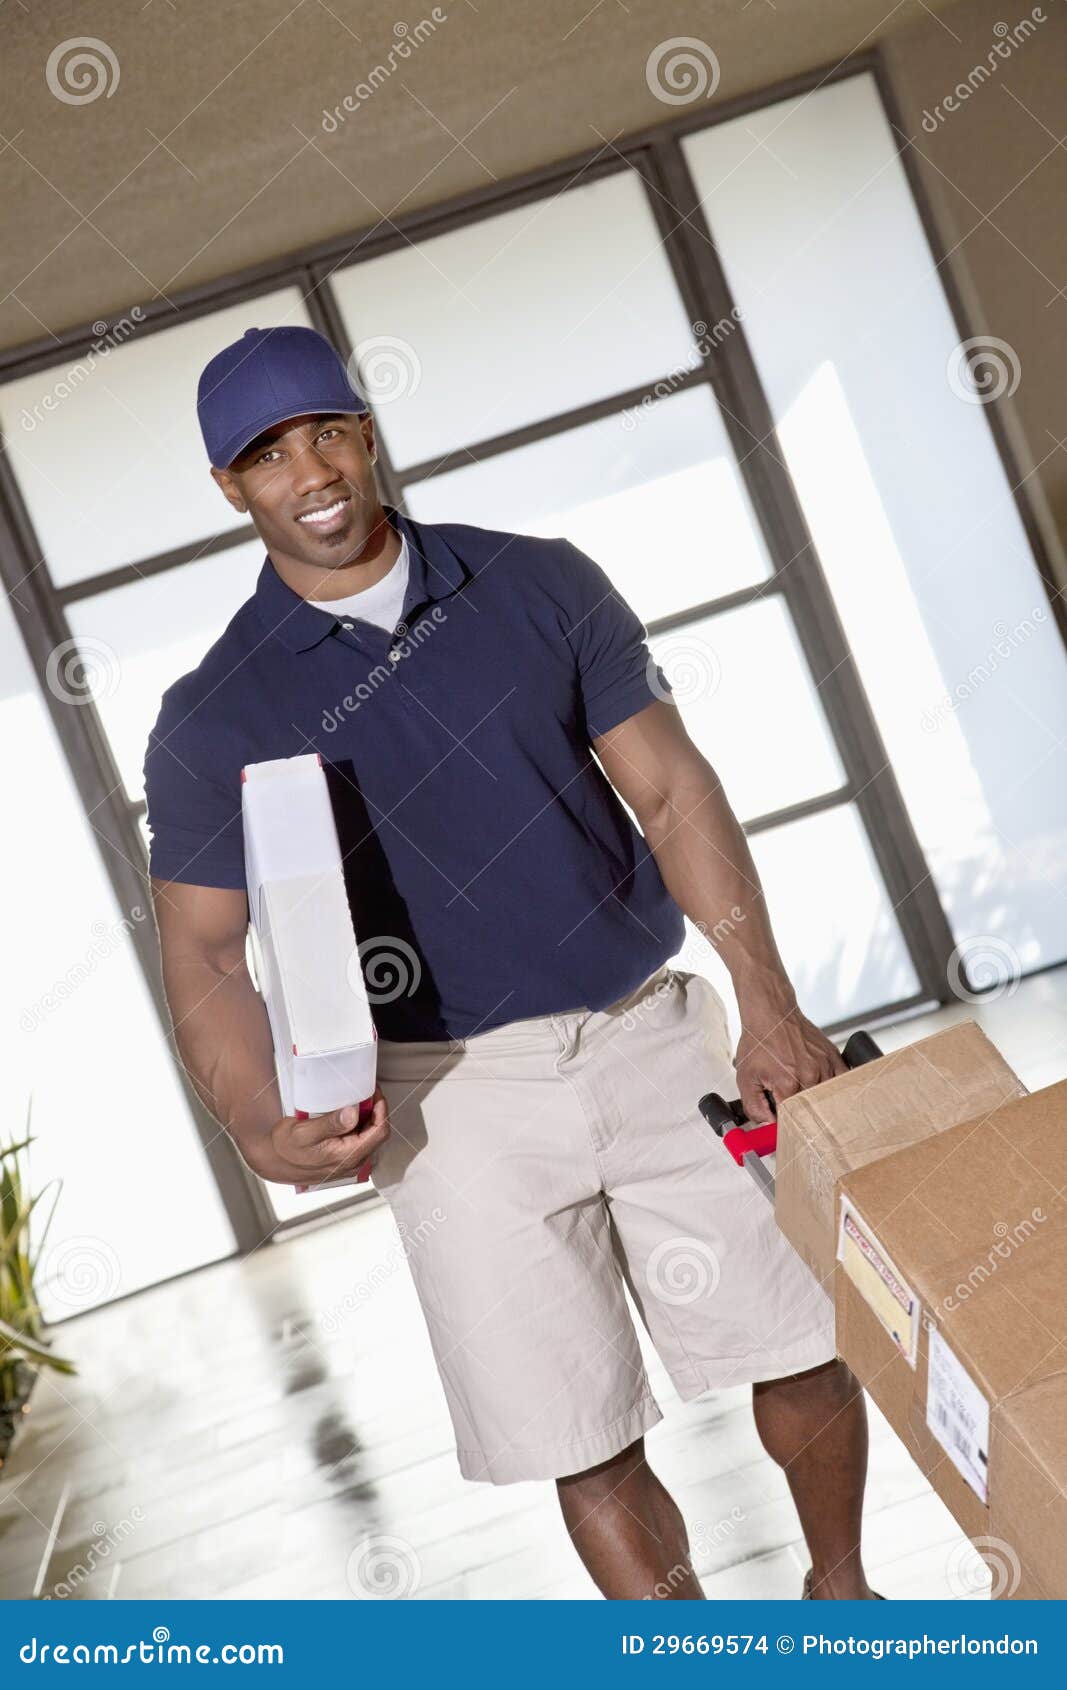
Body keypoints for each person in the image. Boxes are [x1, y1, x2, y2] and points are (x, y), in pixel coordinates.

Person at [145, 324, 880, 1601]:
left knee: (799, 1335)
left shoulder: (539, 584)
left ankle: (842, 1598)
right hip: (446, 1097)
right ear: (231, 488)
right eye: (266, 455)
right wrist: (258, 1122)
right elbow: (206, 950)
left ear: (364, 433)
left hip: (650, 1034)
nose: (307, 469)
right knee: (578, 1428)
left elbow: (673, 790)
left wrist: (769, 1007)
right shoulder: (215, 709)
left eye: (325, 430)